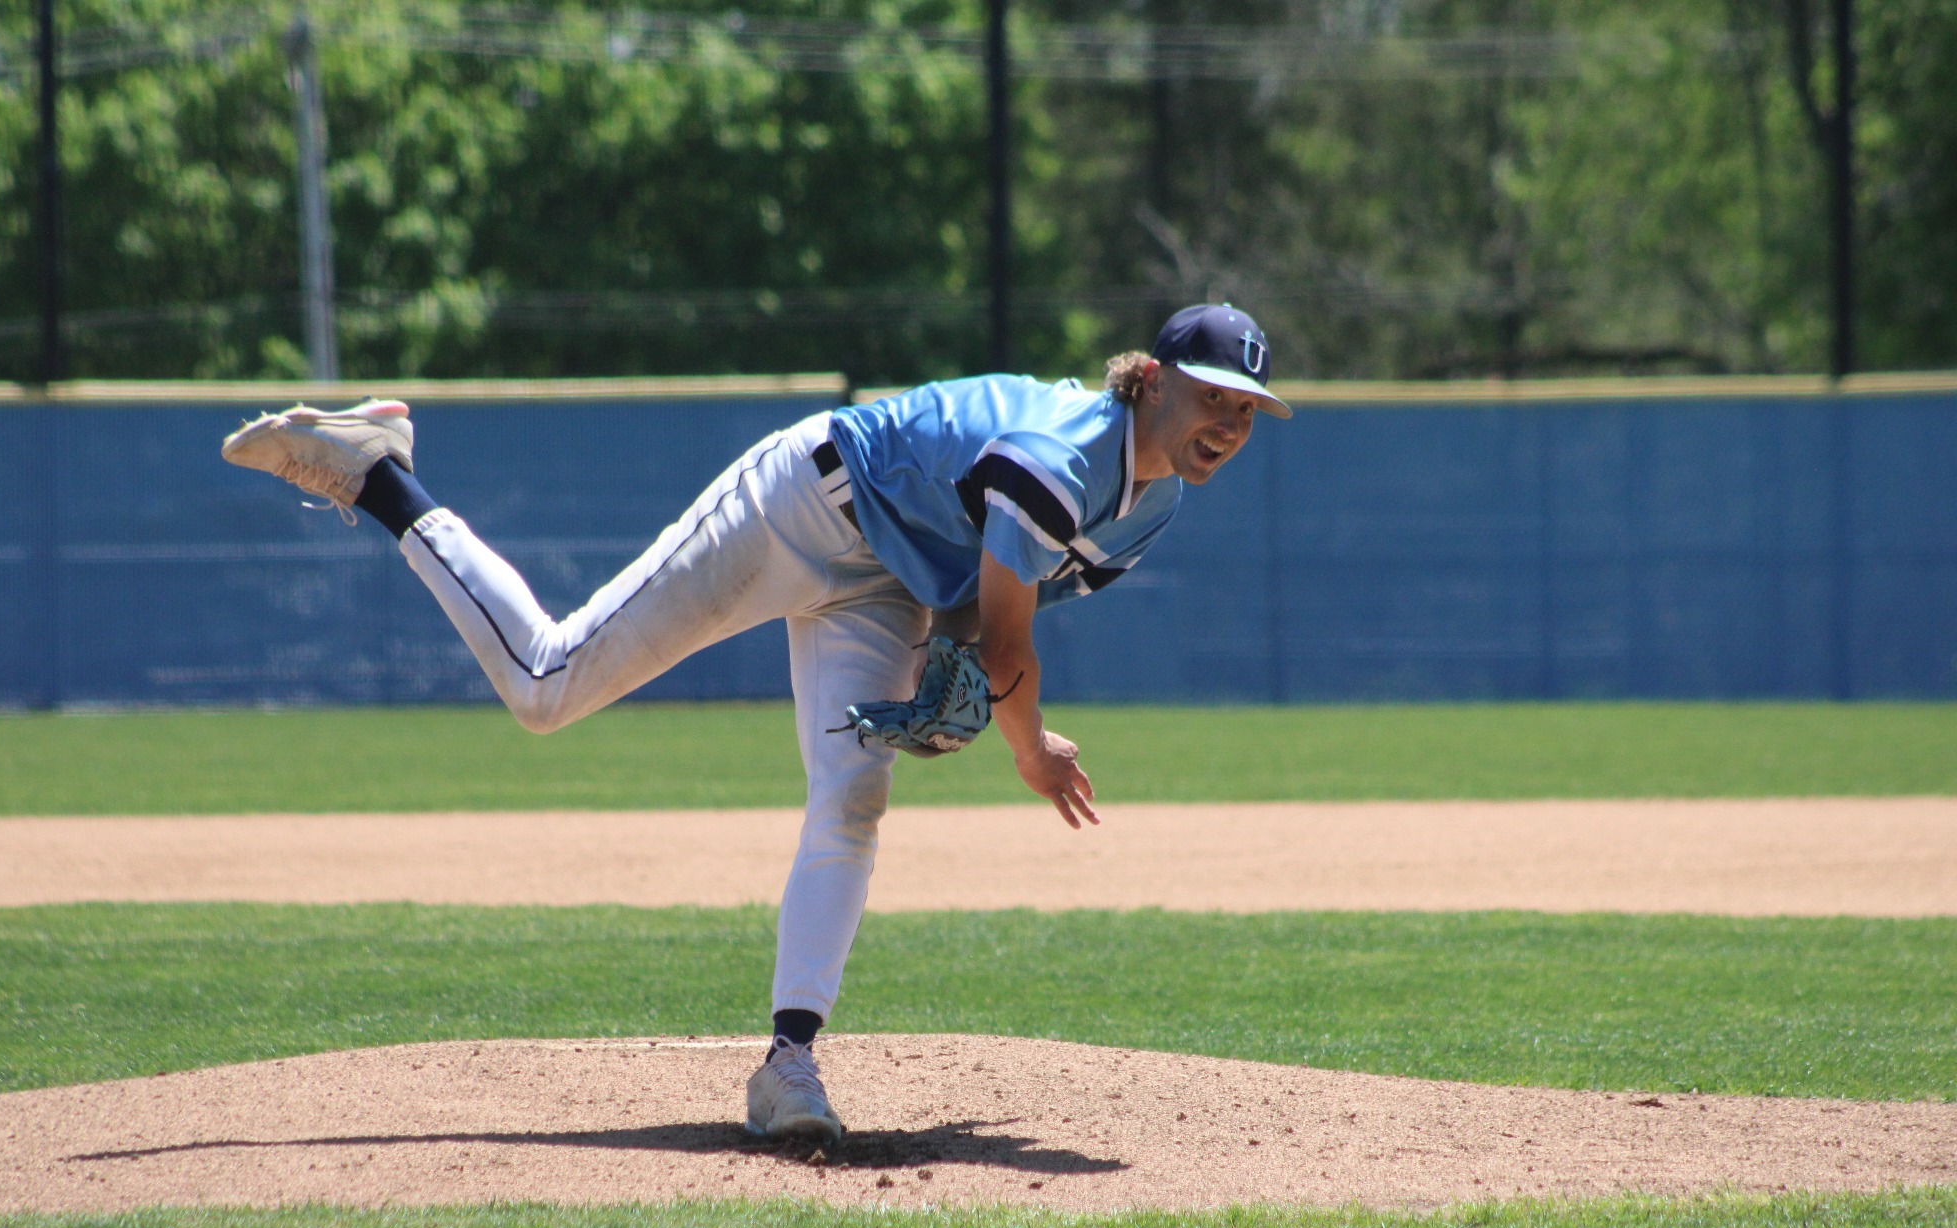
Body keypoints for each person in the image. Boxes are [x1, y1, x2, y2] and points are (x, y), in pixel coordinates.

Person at [222, 303, 1291, 1145]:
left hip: (889, 587)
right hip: (798, 505)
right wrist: (1025, 744)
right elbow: (1009, 645)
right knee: (545, 684)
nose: (1230, 425)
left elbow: (978, 609)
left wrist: (943, 686)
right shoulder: (1067, 452)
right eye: (1213, 397)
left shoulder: (1151, 504)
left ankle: (788, 1065)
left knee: (855, 798)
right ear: (1147, 381)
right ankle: (382, 475)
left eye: (1247, 409)